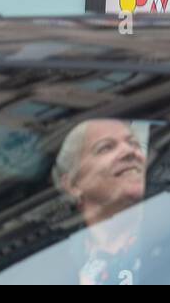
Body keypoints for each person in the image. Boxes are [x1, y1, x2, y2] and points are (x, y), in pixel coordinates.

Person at [53, 118, 147, 284]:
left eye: (133, 143)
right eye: (105, 147)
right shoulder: (57, 260)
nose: (129, 151)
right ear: (73, 185)